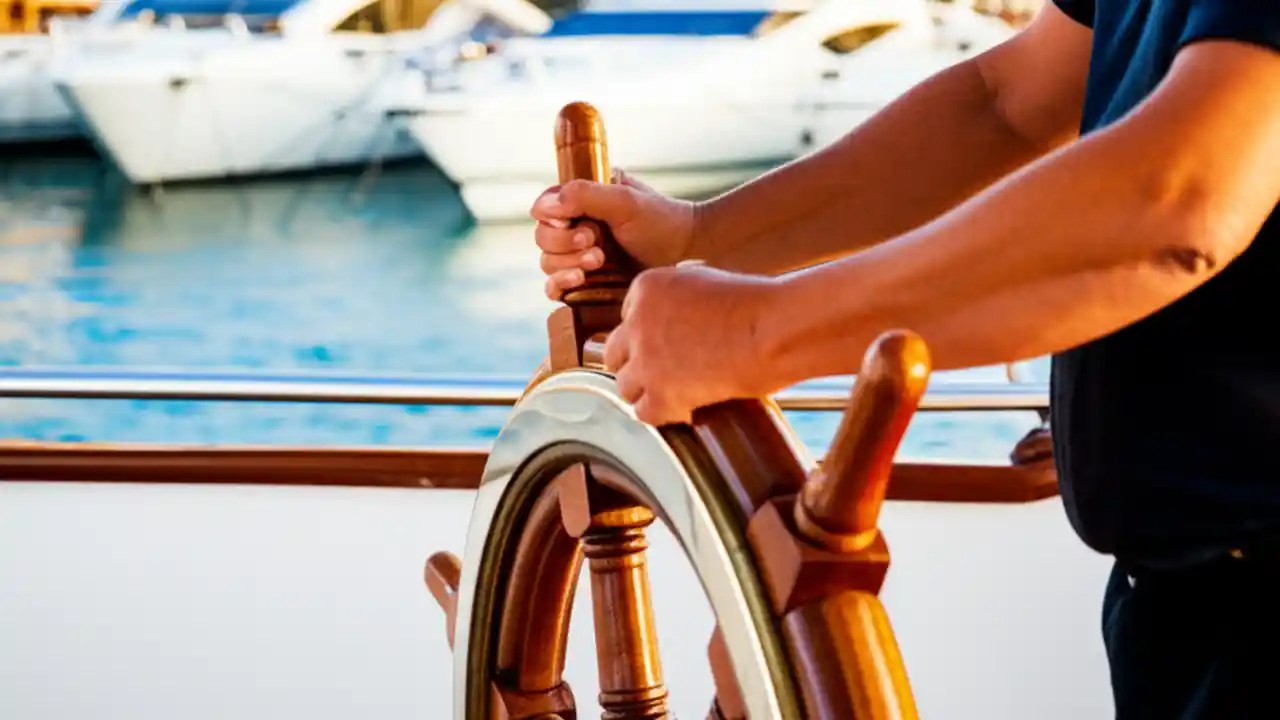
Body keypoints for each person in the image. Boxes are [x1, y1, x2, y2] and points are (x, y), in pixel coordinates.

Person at [532, 1, 1278, 717]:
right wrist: (700, 235)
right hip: (1177, 613)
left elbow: (1179, 199)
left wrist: (757, 334)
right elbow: (1009, 103)